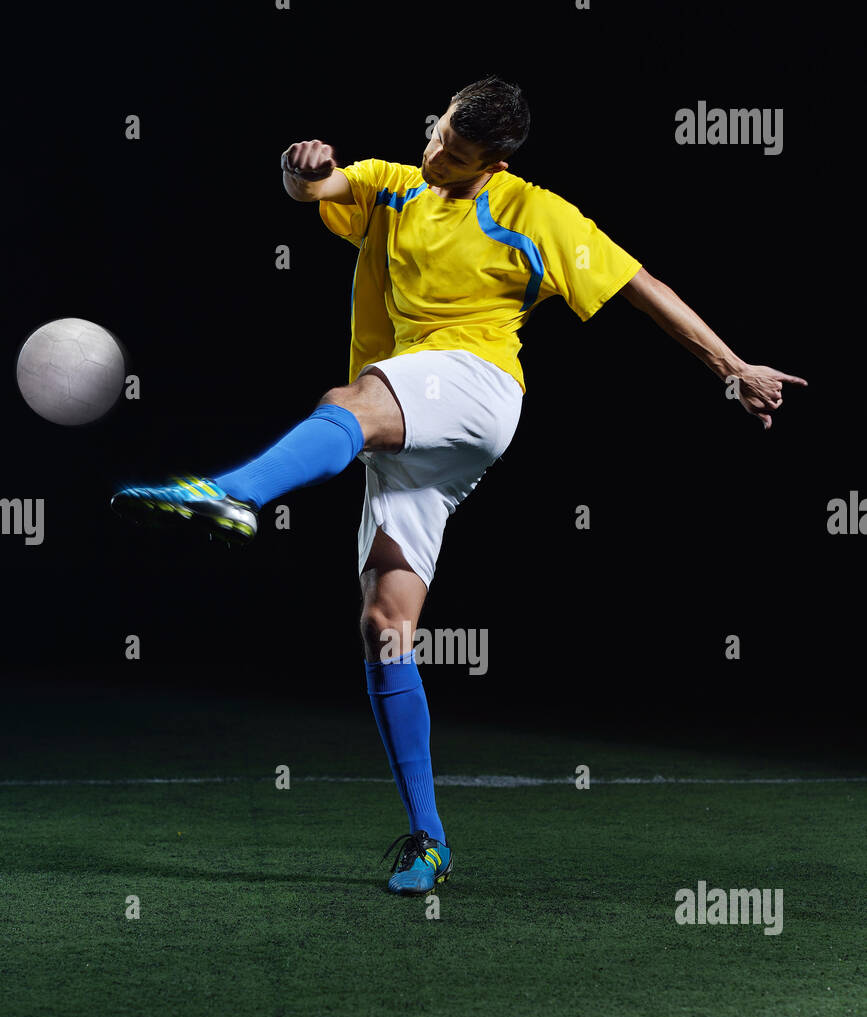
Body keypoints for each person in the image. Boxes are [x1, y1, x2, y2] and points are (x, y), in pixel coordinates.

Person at [111, 75, 807, 896]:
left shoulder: (535, 213)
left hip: (473, 389)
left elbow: (639, 287)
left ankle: (232, 493)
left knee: (347, 403)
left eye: (459, 153)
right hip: (414, 427)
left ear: (496, 160)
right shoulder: (395, 185)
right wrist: (300, 166)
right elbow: (317, 187)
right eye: (439, 133)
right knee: (384, 626)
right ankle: (428, 841)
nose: (438, 154)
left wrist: (732, 368)